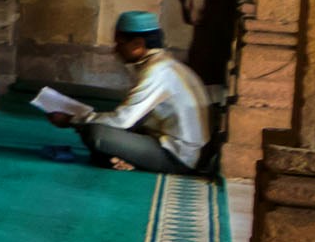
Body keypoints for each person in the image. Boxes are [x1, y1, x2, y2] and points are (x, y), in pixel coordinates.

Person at [60, 11, 209, 173]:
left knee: (95, 132)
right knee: (104, 126)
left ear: (138, 44)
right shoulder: (164, 65)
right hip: (173, 146)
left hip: (178, 157)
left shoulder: (157, 71)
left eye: (120, 43)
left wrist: (73, 120)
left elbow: (122, 120)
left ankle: (121, 159)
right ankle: (120, 159)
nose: (116, 50)